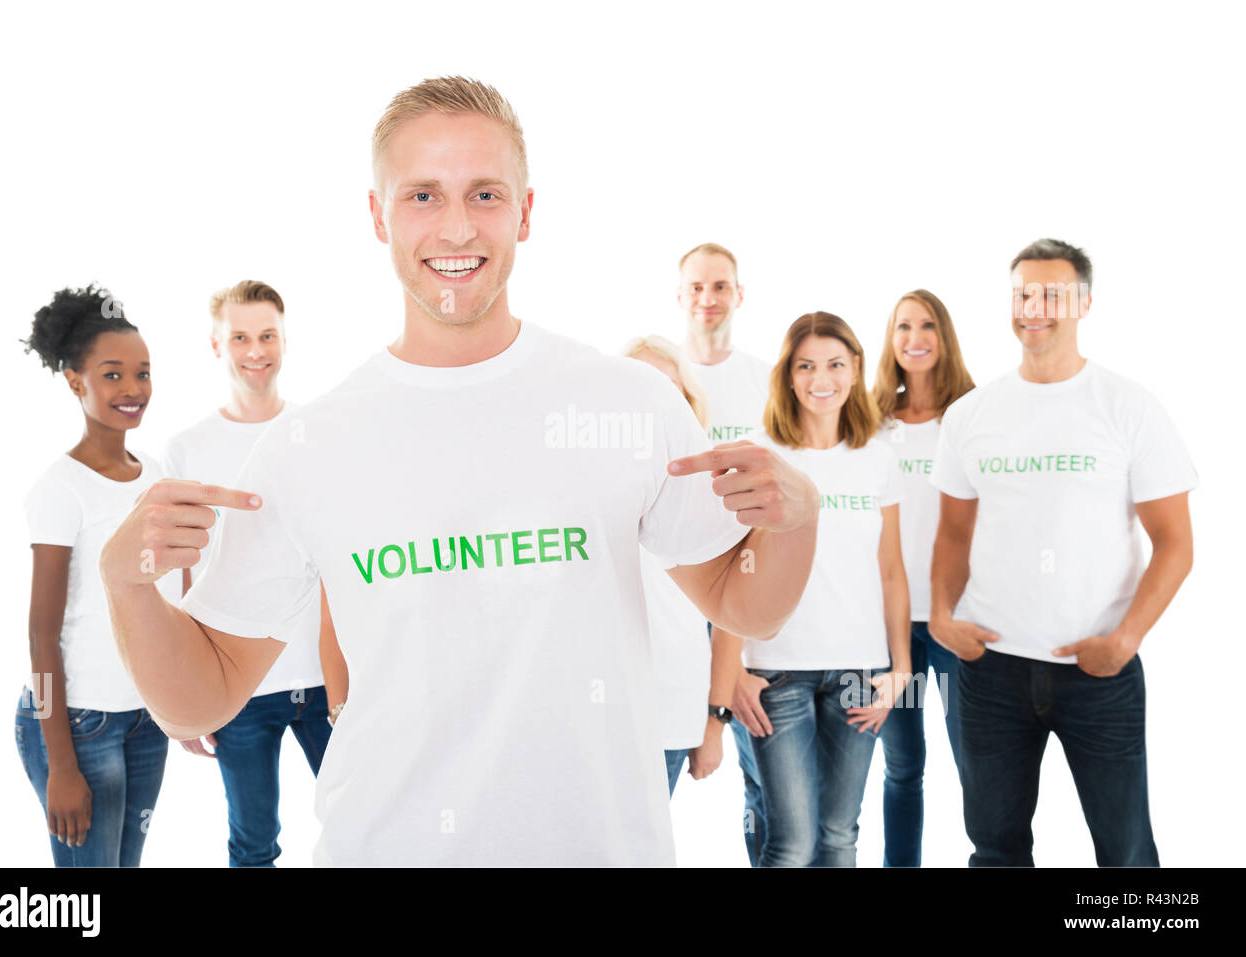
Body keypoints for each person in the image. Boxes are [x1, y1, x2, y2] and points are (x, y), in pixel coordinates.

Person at [95, 76, 820, 867]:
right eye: (422, 196)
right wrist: (126, 583)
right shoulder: (309, 446)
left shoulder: (629, 402)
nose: (456, 226)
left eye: (484, 193)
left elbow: (744, 603)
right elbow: (202, 696)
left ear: (525, 211)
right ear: (377, 215)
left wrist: (798, 517)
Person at [929, 238, 1197, 867]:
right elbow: (953, 534)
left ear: (1085, 304)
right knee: (995, 850)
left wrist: (1127, 639)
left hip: (1098, 673)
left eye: (1052, 294)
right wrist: (940, 617)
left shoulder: (1128, 406)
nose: (1034, 307)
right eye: (1024, 293)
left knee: (1126, 854)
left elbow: (1176, 544)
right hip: (990, 671)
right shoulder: (970, 415)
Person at [162, 280, 335, 867]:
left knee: (362, 829)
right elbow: (180, 582)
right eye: (239, 337)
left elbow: (345, 558)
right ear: (217, 345)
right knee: (254, 845)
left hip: (326, 677)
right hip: (237, 685)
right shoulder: (188, 448)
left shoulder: (319, 430)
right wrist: (184, 697)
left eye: (267, 336)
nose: (256, 351)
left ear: (285, 340)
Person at [735, 312, 912, 867]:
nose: (821, 379)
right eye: (806, 366)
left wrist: (901, 669)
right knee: (791, 844)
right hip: (777, 670)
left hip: (859, 671)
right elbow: (734, 568)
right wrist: (732, 670)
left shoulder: (878, 459)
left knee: (839, 835)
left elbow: (891, 570)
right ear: (788, 375)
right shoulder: (761, 456)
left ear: (855, 369)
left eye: (835, 365)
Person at [17, 284, 169, 867]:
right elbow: (41, 634)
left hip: (145, 720)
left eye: (143, 373)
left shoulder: (156, 475)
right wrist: (60, 763)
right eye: (112, 375)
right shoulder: (61, 489)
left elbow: (165, 604)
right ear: (74, 382)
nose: (133, 389)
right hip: (78, 724)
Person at [869, 289, 976, 867]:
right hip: (890, 629)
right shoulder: (870, 423)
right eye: (903, 326)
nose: (915, 338)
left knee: (976, 764)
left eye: (927, 325)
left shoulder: (972, 416)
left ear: (945, 336)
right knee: (902, 767)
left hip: (956, 621)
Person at [678, 242, 772, 865]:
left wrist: (731, 655)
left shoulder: (765, 380)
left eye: (720, 286)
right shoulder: (660, 380)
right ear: (679, 296)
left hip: (747, 587)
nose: (708, 299)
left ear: (739, 295)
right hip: (677, 586)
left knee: (762, 776)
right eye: (696, 287)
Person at [621, 335, 734, 797]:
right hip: (596, 714)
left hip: (672, 707)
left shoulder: (715, 490)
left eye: (670, 391)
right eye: (638, 387)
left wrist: (715, 720)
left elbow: (730, 617)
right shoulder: (585, 483)